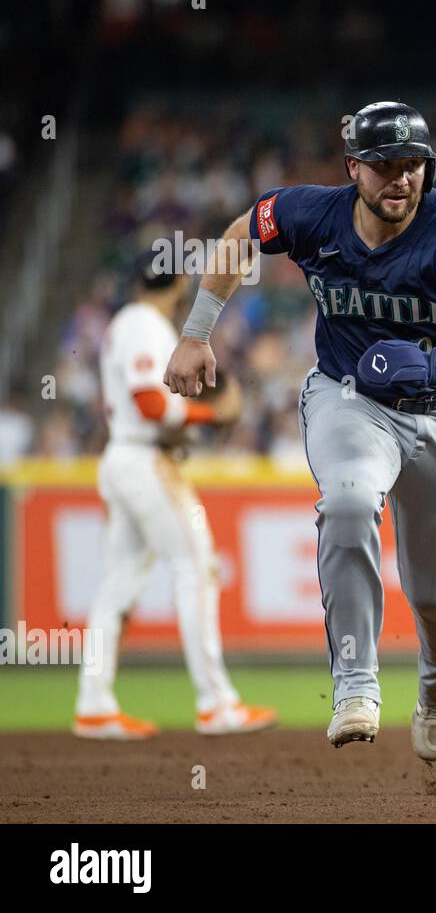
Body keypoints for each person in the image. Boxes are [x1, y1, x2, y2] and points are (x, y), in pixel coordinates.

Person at [163, 102, 436, 761]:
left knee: (433, 593)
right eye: (384, 165)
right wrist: (196, 333)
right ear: (353, 167)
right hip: (349, 396)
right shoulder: (310, 213)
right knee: (349, 501)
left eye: (413, 164)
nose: (401, 178)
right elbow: (241, 234)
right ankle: (356, 684)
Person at [74, 264, 278, 739]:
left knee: (117, 586)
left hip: (123, 457)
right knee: (196, 567)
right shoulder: (146, 324)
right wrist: (213, 414)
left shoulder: (125, 322)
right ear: (181, 284)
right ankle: (216, 703)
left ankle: (94, 704)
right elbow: (150, 403)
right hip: (146, 460)